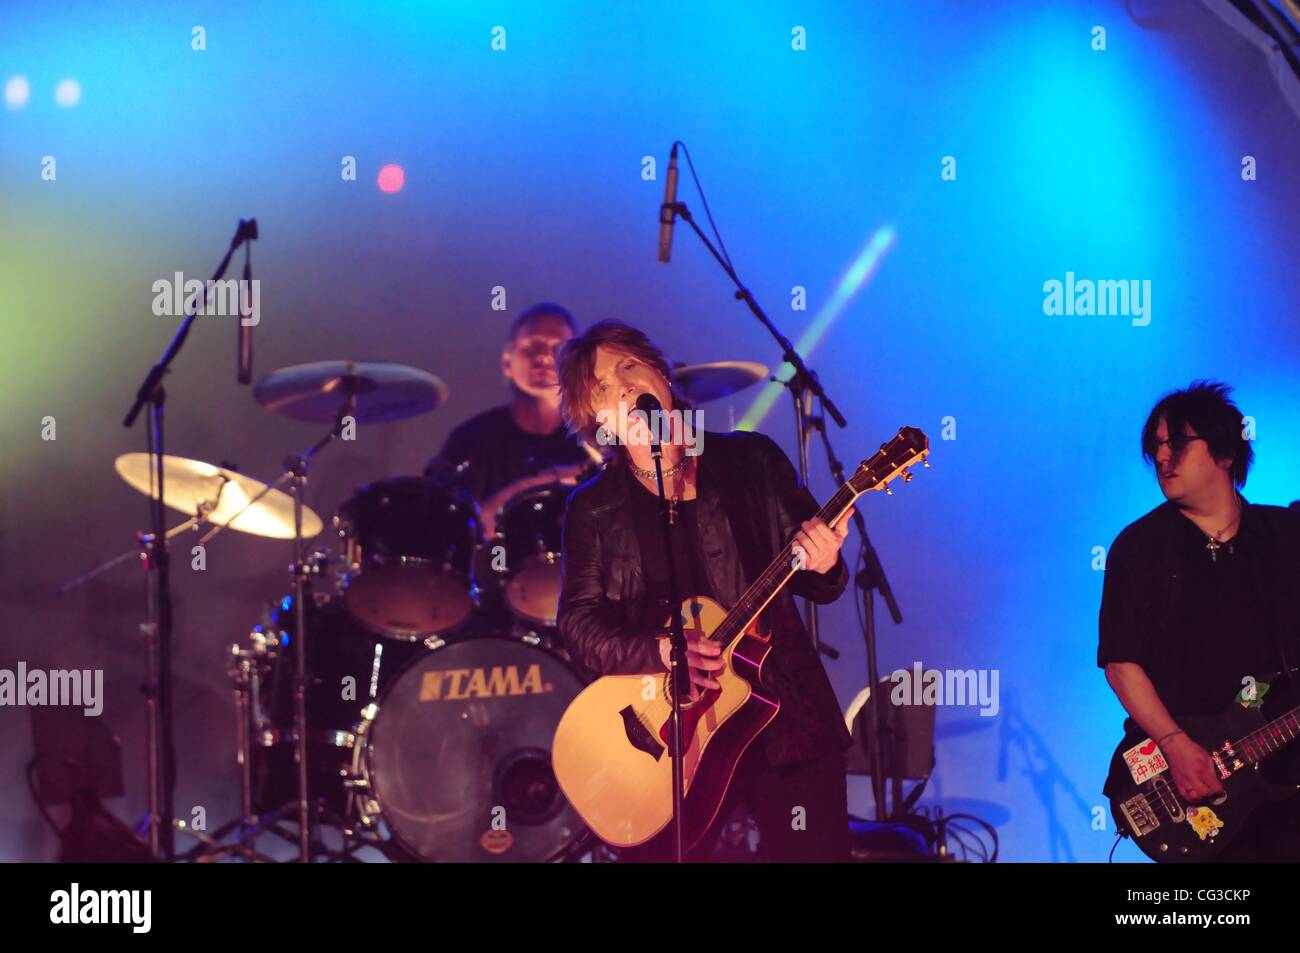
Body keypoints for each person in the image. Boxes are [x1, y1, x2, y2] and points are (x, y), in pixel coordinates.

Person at [555, 320, 855, 862]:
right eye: (603, 388)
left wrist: (825, 559)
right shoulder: (593, 509)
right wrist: (659, 651)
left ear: (660, 373)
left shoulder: (751, 462)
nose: (623, 387)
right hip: (664, 742)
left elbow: (821, 581)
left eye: (628, 366)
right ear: (599, 422)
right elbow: (578, 625)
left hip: (781, 716)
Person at [1099, 380, 1300, 861]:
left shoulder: (1285, 536)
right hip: (1192, 776)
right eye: (1158, 445)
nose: (1163, 458)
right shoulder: (1140, 546)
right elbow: (1120, 662)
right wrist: (1175, 744)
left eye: (1178, 443)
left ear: (1226, 454)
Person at [425, 302, 594, 540]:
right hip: (494, 574)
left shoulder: (597, 439)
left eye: (558, 348)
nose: (545, 357)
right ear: (506, 363)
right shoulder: (471, 439)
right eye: (532, 346)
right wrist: (549, 480)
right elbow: (449, 529)